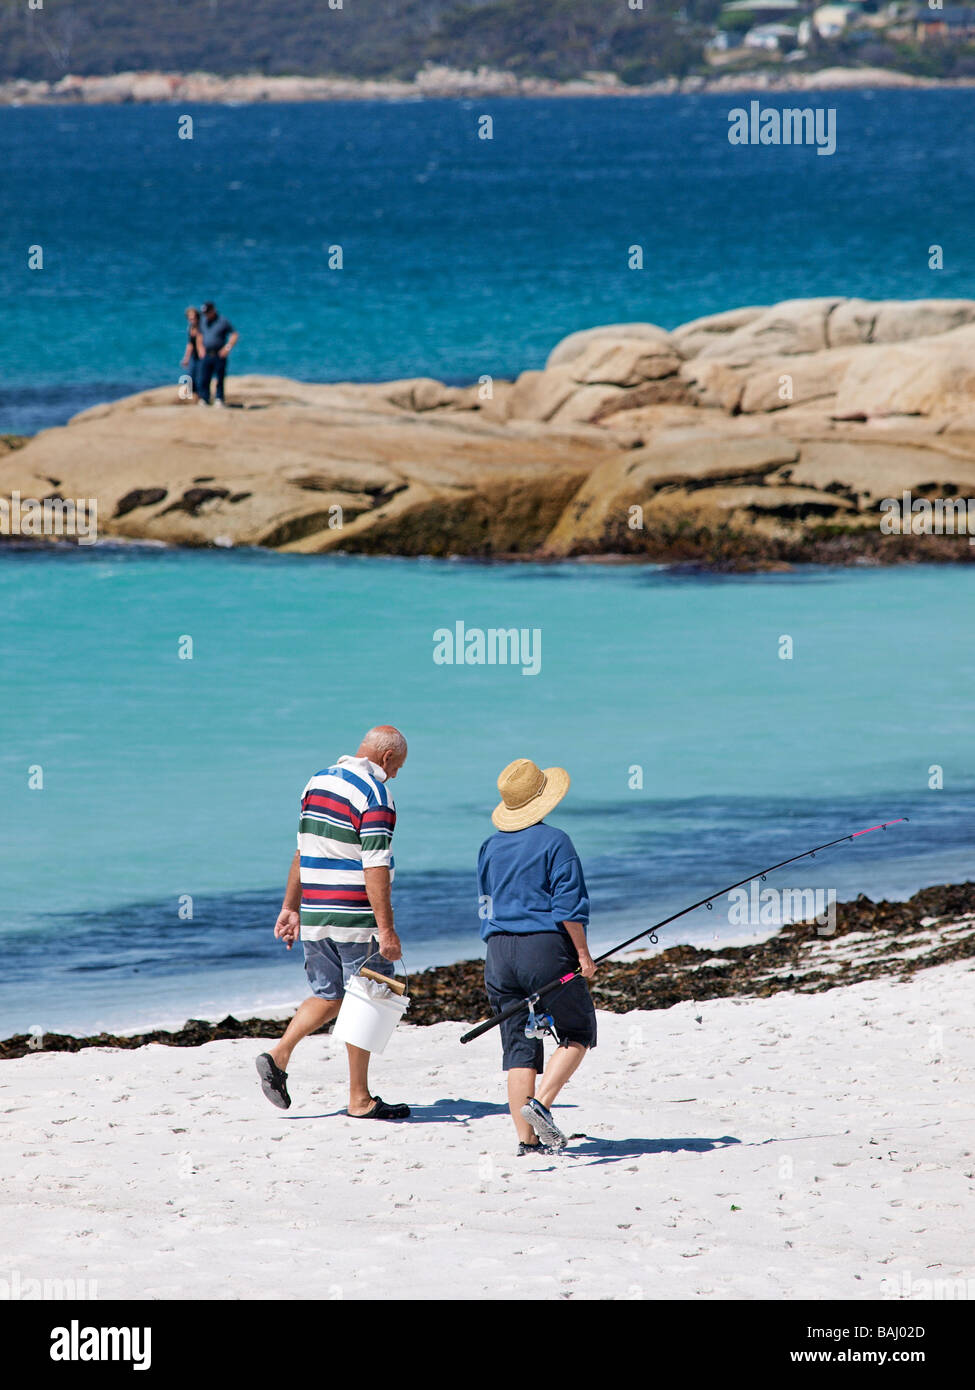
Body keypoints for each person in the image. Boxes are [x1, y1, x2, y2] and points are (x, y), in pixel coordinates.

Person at [256, 725, 410, 1120]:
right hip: (356, 918)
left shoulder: (317, 782)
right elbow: (374, 865)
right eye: (396, 768)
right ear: (387, 758)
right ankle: (360, 1099)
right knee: (369, 999)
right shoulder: (376, 795)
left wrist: (290, 907)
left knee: (329, 996)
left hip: (316, 912)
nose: (394, 776)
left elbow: (302, 849)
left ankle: (279, 1054)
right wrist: (387, 930)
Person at [477, 758, 597, 1155]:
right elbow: (568, 908)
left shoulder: (489, 846)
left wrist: (497, 950)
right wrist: (583, 955)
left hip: (497, 951)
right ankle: (540, 1106)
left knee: (517, 1048)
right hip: (543, 948)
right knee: (578, 1031)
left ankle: (527, 1142)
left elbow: (485, 902)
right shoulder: (555, 841)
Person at [197, 301, 239, 406]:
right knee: (204, 377)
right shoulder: (202, 321)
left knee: (219, 378)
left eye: (208, 312)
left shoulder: (222, 321)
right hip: (206, 354)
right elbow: (199, 335)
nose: (206, 315)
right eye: (204, 313)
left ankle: (219, 399)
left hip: (219, 354)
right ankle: (204, 398)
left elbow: (234, 334)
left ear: (213, 311)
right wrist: (200, 348)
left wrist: (227, 348)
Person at [180, 307, 203, 401]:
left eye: (193, 317)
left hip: (202, 356)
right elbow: (190, 344)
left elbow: (200, 342)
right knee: (190, 374)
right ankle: (192, 395)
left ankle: (201, 395)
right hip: (194, 355)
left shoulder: (203, 327)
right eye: (190, 318)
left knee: (200, 376)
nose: (191, 320)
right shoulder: (190, 327)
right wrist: (186, 358)